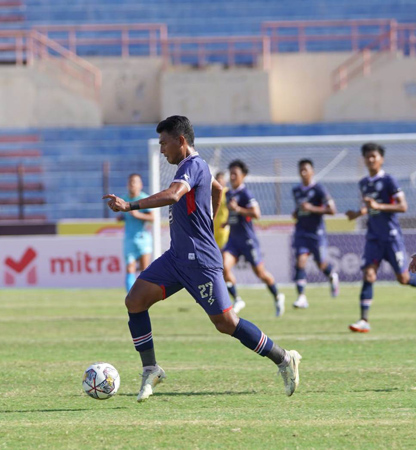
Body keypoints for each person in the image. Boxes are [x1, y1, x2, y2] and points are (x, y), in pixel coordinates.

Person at [103, 116, 301, 402]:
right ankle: (150, 369)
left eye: (164, 143)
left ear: (181, 141)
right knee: (135, 300)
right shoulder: (195, 168)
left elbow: (173, 196)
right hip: (176, 258)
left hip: (201, 262)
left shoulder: (193, 165)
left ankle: (284, 358)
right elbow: (217, 190)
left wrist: (129, 205)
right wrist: (208, 220)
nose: (161, 150)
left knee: (226, 323)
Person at [345, 143, 416, 333]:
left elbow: (403, 206)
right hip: (373, 237)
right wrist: (357, 213)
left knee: (403, 278)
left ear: (381, 159)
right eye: (367, 157)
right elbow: (370, 207)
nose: (370, 160)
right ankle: (363, 320)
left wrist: (379, 206)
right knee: (368, 274)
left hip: (391, 237)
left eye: (374, 156)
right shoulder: (363, 183)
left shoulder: (389, 181)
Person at [221, 160, 286, 316]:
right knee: (223, 266)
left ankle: (277, 295)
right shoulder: (229, 193)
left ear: (243, 176)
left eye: (235, 173)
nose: (232, 176)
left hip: (247, 240)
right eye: (230, 173)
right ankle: (237, 299)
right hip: (233, 240)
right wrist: (226, 221)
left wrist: (238, 209)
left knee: (260, 274)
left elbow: (256, 214)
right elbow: (233, 214)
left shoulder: (245, 194)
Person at [291, 159, 340, 309]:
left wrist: (311, 208)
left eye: (306, 169)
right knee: (300, 262)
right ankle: (301, 297)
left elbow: (332, 210)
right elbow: (299, 210)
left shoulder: (319, 189)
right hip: (301, 232)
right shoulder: (296, 190)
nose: (303, 172)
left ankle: (332, 276)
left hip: (316, 233)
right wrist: (297, 213)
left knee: (321, 263)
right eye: (301, 170)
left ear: (312, 171)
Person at [120, 173, 153, 292]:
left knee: (144, 271)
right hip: (129, 239)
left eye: (135, 182)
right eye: (130, 182)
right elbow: (123, 214)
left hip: (143, 239)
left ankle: (145, 296)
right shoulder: (124, 200)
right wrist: (121, 217)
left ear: (140, 185)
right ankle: (130, 296)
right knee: (130, 269)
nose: (132, 185)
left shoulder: (145, 199)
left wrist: (137, 214)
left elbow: (153, 217)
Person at [213, 172, 229, 250]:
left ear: (225, 181)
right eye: (217, 180)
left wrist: (228, 222)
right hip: (214, 226)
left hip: (224, 226)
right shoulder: (213, 193)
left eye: (221, 180)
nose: (219, 182)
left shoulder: (228, 193)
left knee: (223, 250)